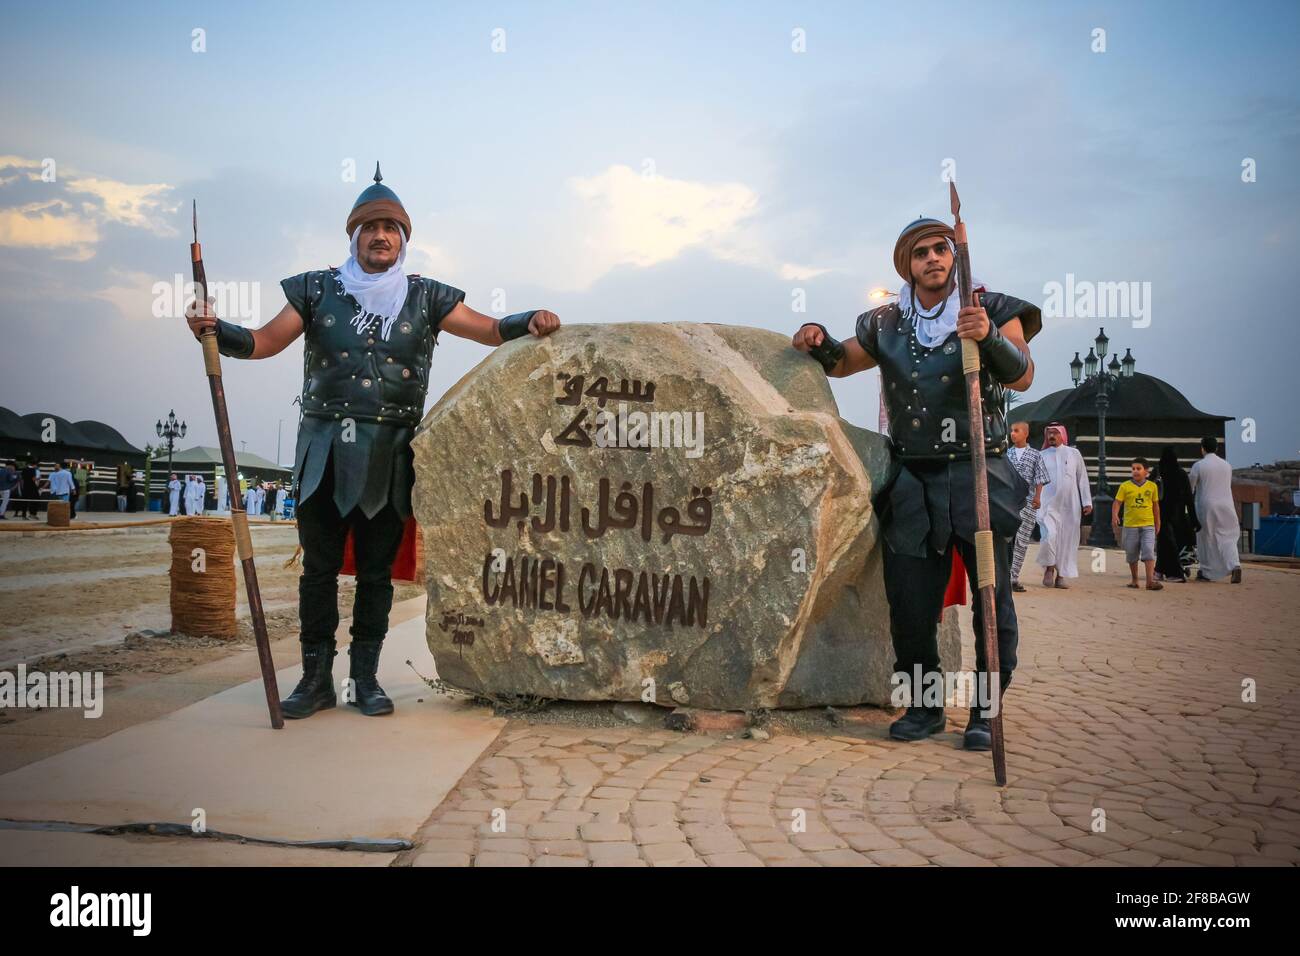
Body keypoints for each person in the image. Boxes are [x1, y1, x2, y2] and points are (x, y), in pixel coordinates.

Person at [187, 162, 560, 719]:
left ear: (403, 240)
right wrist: (216, 331)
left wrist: (528, 319)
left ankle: (364, 680)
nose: (381, 235)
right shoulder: (316, 289)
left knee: (376, 573)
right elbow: (265, 342)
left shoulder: (427, 297)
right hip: (324, 452)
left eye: (391, 228)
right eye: (370, 227)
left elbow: (486, 328)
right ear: (354, 236)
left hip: (391, 455)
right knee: (318, 570)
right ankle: (315, 680)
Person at [792, 215, 1040, 751]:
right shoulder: (885, 323)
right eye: (921, 253)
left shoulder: (991, 306)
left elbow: (1023, 373)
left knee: (991, 601)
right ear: (907, 265)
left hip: (980, 471)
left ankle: (984, 712)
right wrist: (817, 340)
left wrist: (989, 336)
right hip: (914, 476)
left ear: (954, 256)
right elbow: (841, 364)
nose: (933, 258)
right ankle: (923, 708)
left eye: (940, 249)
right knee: (909, 605)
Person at [1036, 422, 1092, 588]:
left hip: (1070, 504)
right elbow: (1035, 481)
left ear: (1062, 435)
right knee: (1049, 536)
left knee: (1067, 540)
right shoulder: (1042, 455)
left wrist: (1087, 501)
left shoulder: (1074, 453)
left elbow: (1082, 478)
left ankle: (1061, 575)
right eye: (1049, 433)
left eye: (1055, 433)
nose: (1051, 436)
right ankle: (1049, 568)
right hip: (1048, 504)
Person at [1190, 436, 1242, 583]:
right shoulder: (1227, 465)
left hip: (1207, 505)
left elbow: (1190, 487)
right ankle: (1235, 565)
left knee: (1207, 538)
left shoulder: (1199, 465)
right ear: (1217, 448)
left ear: (1202, 448)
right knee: (1228, 537)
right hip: (1226, 504)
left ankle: (1207, 571)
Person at [1005, 421, 1049, 592]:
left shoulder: (1035, 455)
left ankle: (1013, 577)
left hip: (1028, 502)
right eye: (1011, 431)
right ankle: (1004, 575)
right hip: (1007, 502)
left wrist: (1038, 497)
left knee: (1022, 541)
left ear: (1025, 434)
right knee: (1006, 540)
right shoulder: (1006, 454)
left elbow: (1039, 477)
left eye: (1016, 431)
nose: (1012, 434)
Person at [1113, 457, 1162, 591]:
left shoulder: (1152, 487)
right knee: (1132, 553)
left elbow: (1155, 506)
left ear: (1146, 471)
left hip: (1148, 525)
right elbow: (1117, 502)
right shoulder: (1125, 486)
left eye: (1138, 468)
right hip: (1130, 526)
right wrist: (1115, 515)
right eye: (1133, 469)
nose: (1135, 471)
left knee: (1148, 551)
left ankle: (1150, 581)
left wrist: (1158, 523)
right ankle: (1134, 580)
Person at [1154, 446, 1197, 582]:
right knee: (1171, 543)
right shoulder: (1181, 474)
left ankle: (1168, 572)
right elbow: (1189, 498)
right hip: (1177, 514)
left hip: (1161, 513)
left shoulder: (1158, 472)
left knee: (1165, 543)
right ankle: (1165, 572)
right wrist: (1194, 519)